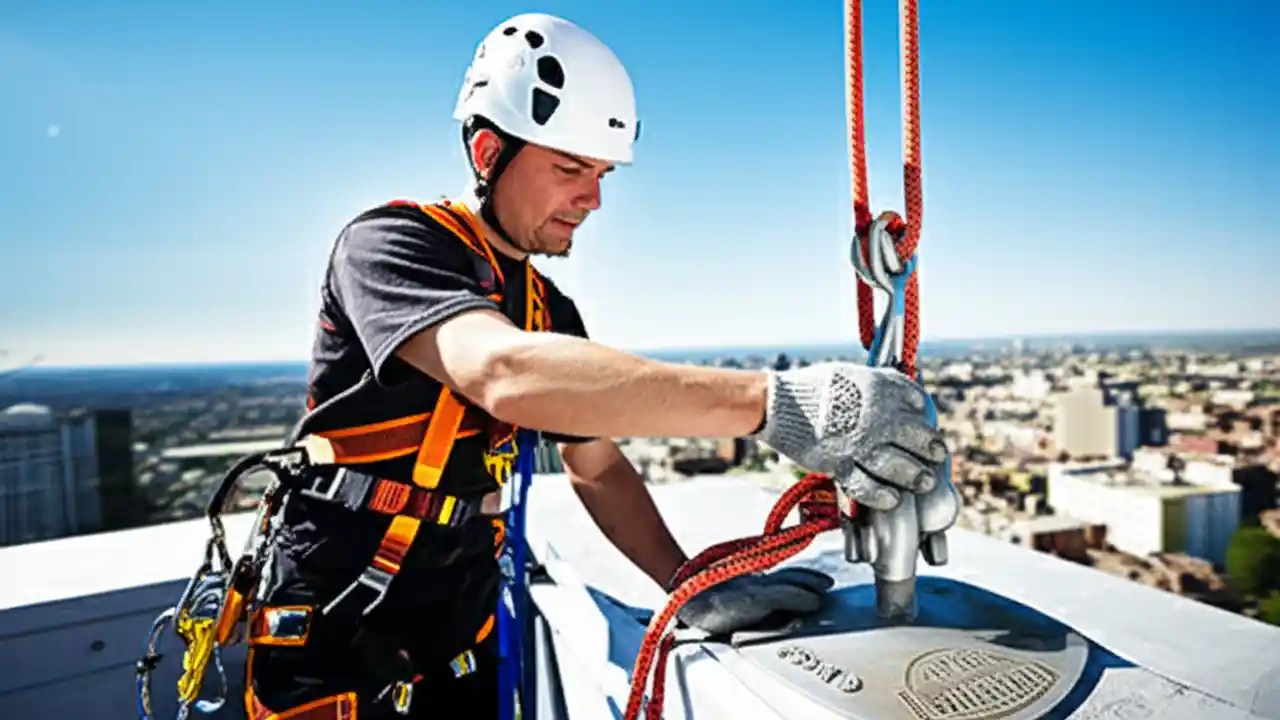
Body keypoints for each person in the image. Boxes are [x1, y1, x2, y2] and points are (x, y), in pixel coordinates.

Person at [243, 12, 951, 719]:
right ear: (489, 151)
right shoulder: (390, 247)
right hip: (336, 640)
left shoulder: (549, 309)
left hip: (458, 643)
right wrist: (774, 403)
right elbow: (501, 372)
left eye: (602, 172)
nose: (594, 198)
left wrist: (688, 584)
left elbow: (599, 470)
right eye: (569, 168)